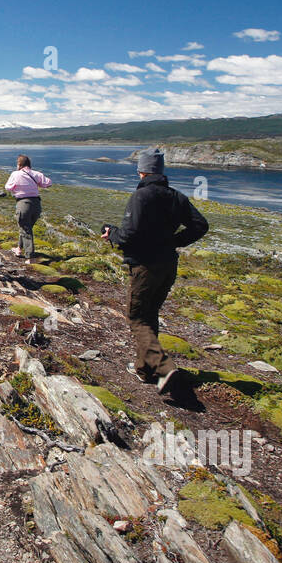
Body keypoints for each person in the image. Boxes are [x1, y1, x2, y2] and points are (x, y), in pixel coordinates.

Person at [100, 147, 208, 394]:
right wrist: (174, 241)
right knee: (149, 316)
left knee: (137, 317)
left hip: (145, 266)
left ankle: (164, 366)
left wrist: (111, 233)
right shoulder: (176, 196)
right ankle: (144, 369)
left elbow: (129, 235)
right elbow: (200, 225)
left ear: (141, 171)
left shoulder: (141, 197)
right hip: (167, 265)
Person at [4, 155, 51, 258]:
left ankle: (29, 257)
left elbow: (8, 187)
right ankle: (19, 248)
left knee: (25, 229)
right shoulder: (36, 174)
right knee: (26, 227)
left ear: (19, 164)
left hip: (23, 204)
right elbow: (48, 183)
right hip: (36, 204)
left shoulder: (15, 174)